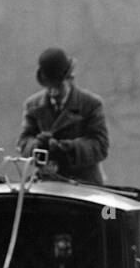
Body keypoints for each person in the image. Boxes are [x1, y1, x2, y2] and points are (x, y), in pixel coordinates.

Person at [15, 47, 109, 184]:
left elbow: (100, 146)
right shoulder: (32, 106)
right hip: (46, 184)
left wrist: (66, 148)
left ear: (70, 80)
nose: (53, 93)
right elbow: (23, 142)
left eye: (58, 87)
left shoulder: (91, 105)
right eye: (49, 87)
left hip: (85, 187)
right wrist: (37, 146)